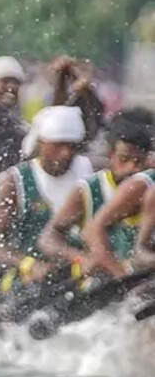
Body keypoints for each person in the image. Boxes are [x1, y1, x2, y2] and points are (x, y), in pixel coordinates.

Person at [0, 105, 93, 279]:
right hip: (30, 277)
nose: (66, 153)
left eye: (72, 147)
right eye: (58, 146)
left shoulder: (90, 169)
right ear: (40, 143)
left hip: (81, 271)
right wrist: (28, 264)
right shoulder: (15, 181)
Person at [39, 108, 155, 276]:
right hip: (98, 277)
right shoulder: (86, 190)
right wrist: (79, 257)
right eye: (124, 159)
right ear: (110, 155)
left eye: (139, 161)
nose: (132, 168)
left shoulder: (146, 185)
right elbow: (48, 237)